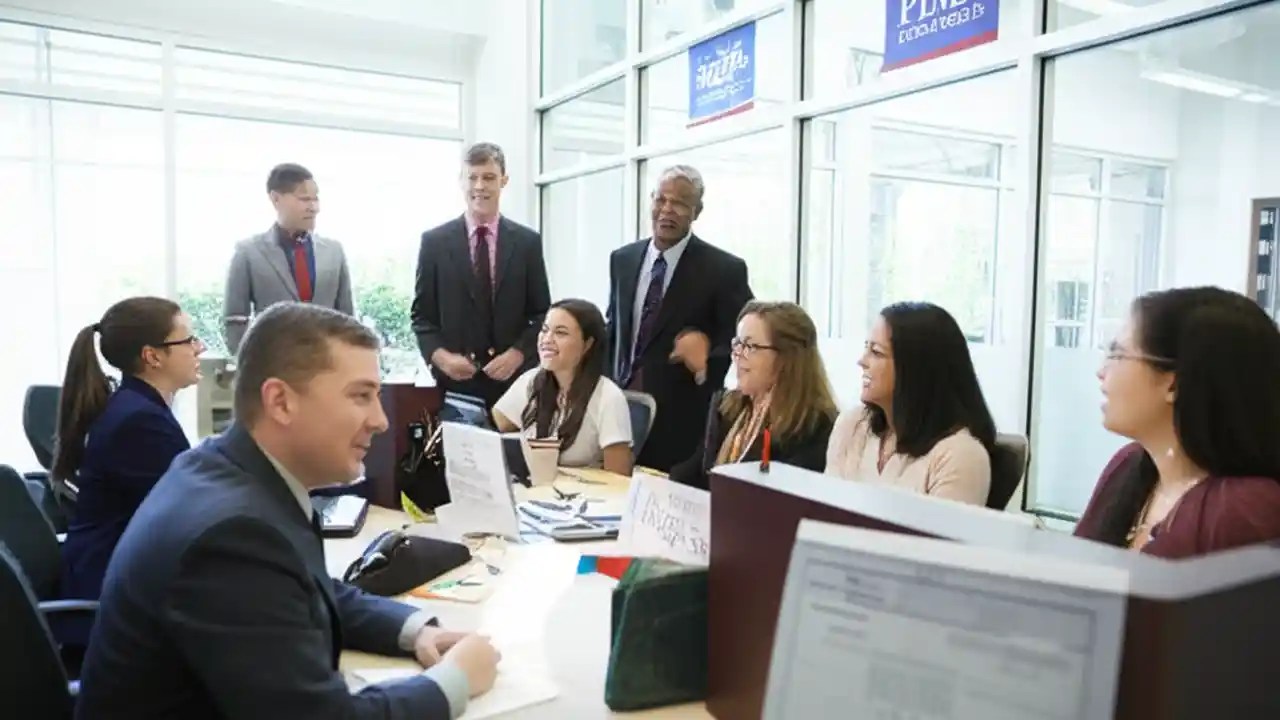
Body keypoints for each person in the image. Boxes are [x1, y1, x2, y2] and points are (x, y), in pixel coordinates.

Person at [76, 303, 500, 719]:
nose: (380, 420)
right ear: (280, 402)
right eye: (361, 396)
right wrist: (454, 682)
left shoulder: (223, 467)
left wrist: (415, 630)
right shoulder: (234, 536)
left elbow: (307, 588)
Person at [1074, 287, 1280, 558]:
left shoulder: (1244, 509)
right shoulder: (1128, 465)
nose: (1101, 372)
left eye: (1118, 356)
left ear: (1174, 384)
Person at [53, 297, 203, 646]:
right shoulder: (139, 422)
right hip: (114, 602)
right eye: (189, 340)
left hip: (122, 580)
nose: (200, 348)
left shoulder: (138, 408)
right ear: (153, 356)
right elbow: (193, 512)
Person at [605, 164, 753, 472]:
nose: (667, 210)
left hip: (681, 425)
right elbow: (615, 330)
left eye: (680, 203)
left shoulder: (723, 270)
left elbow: (743, 339)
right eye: (661, 199)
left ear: (697, 211)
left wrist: (705, 363)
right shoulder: (622, 259)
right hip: (620, 411)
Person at [412, 142, 551, 408]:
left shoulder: (527, 243)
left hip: (514, 384)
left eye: (488, 177)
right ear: (461, 181)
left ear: (503, 181)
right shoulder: (434, 243)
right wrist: (442, 359)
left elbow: (541, 312)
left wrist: (518, 354)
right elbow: (422, 317)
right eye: (472, 177)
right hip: (455, 386)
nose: (479, 186)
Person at [825, 302, 994, 505]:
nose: (862, 361)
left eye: (876, 352)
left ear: (915, 369)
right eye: (866, 347)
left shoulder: (961, 455)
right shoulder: (852, 424)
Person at [670, 301, 836, 490]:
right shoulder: (726, 407)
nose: (737, 355)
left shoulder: (815, 427)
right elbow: (694, 473)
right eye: (737, 344)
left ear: (787, 358)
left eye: (750, 346)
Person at [223, 163, 355, 353]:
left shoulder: (334, 252)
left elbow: (348, 319)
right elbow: (235, 320)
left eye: (316, 199)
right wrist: (251, 363)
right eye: (304, 199)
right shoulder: (249, 252)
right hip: (273, 361)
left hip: (326, 362)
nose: (314, 208)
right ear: (276, 199)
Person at [492, 299, 633, 476]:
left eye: (561, 333)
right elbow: (493, 425)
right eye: (544, 330)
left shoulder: (609, 397)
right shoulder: (532, 380)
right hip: (535, 486)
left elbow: (619, 479)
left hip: (581, 491)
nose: (547, 340)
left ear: (587, 344)